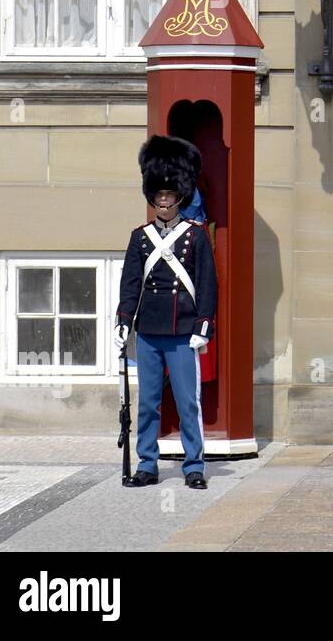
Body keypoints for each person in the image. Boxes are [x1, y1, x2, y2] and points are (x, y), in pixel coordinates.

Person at [115, 135, 218, 489]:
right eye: (158, 195)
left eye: (169, 195)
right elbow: (130, 284)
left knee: (189, 402)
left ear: (179, 197)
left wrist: (204, 324)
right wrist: (123, 321)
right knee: (148, 403)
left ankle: (194, 465)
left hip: (183, 330)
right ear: (152, 197)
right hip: (150, 331)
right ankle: (147, 462)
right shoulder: (140, 238)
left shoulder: (195, 236)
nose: (163, 200)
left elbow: (207, 283)